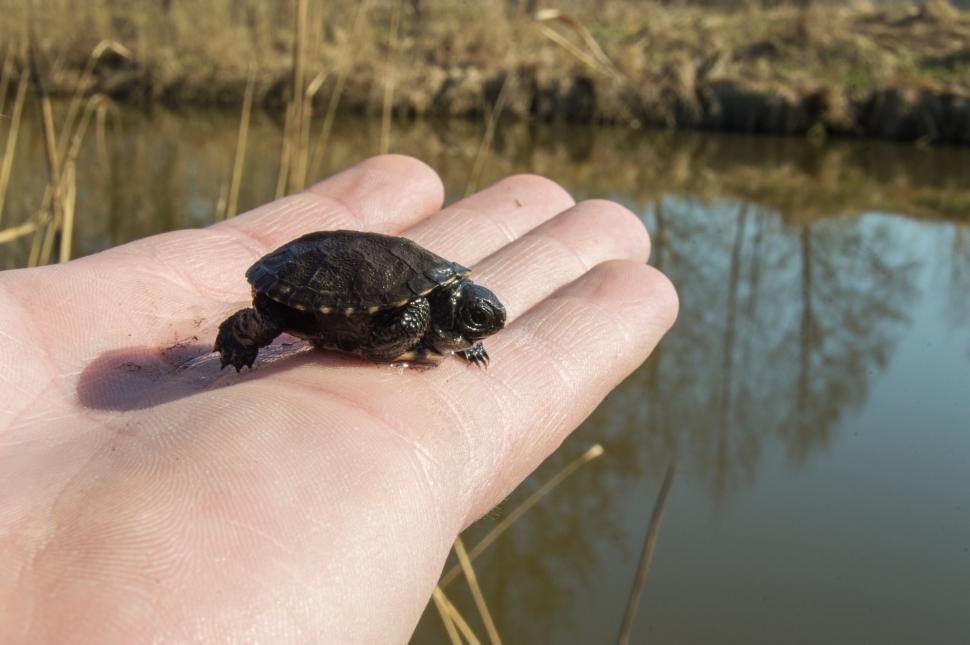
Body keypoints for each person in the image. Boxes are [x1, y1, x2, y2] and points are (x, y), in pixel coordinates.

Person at [0, 155, 677, 642]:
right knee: (265, 320)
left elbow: (450, 321)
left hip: (382, 288)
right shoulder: (423, 306)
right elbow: (404, 316)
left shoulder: (450, 299)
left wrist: (459, 342)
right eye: (473, 321)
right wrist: (398, 340)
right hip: (311, 284)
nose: (478, 326)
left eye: (478, 323)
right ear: (455, 306)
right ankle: (241, 337)